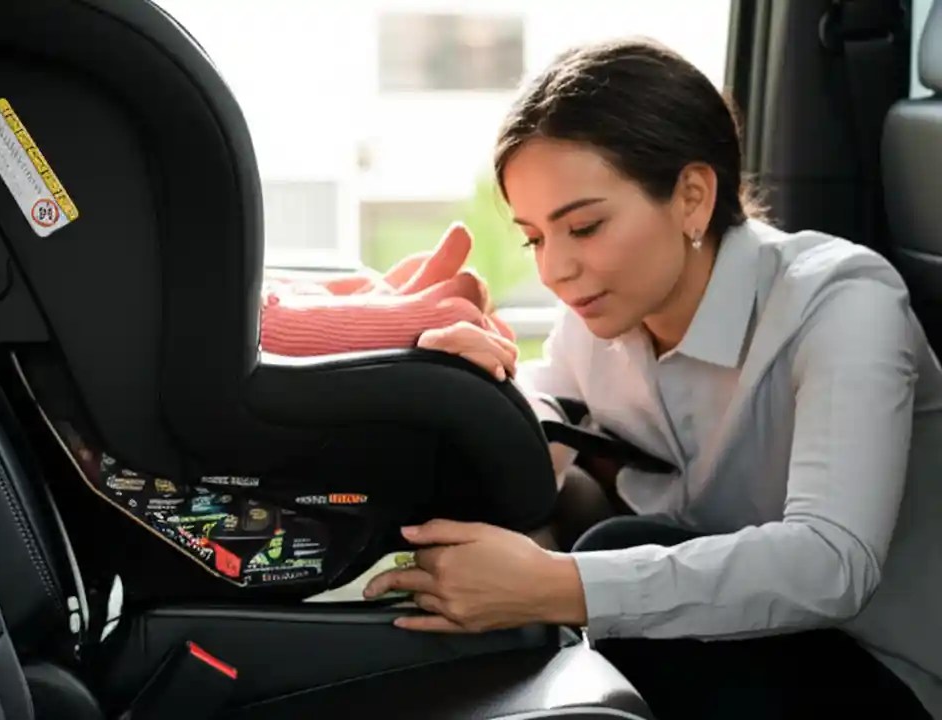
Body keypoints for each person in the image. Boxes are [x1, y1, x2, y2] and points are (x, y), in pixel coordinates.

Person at [363, 37, 942, 718]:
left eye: (584, 226)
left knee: (611, 550)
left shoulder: (842, 302)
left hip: (885, 669)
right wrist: (491, 396)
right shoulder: (603, 315)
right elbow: (554, 407)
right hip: (742, 634)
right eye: (535, 238)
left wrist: (559, 585)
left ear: (693, 197)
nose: (554, 271)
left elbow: (831, 563)